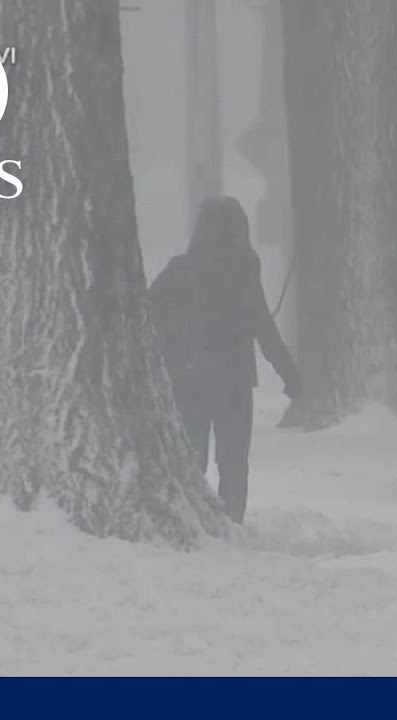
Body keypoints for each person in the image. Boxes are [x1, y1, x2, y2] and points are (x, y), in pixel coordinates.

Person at [148, 196, 301, 524]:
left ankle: (189, 520)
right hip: (234, 382)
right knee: (233, 461)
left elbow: (146, 314)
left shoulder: (179, 270)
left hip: (189, 380)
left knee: (192, 456)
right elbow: (264, 327)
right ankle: (232, 520)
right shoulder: (244, 270)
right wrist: (290, 375)